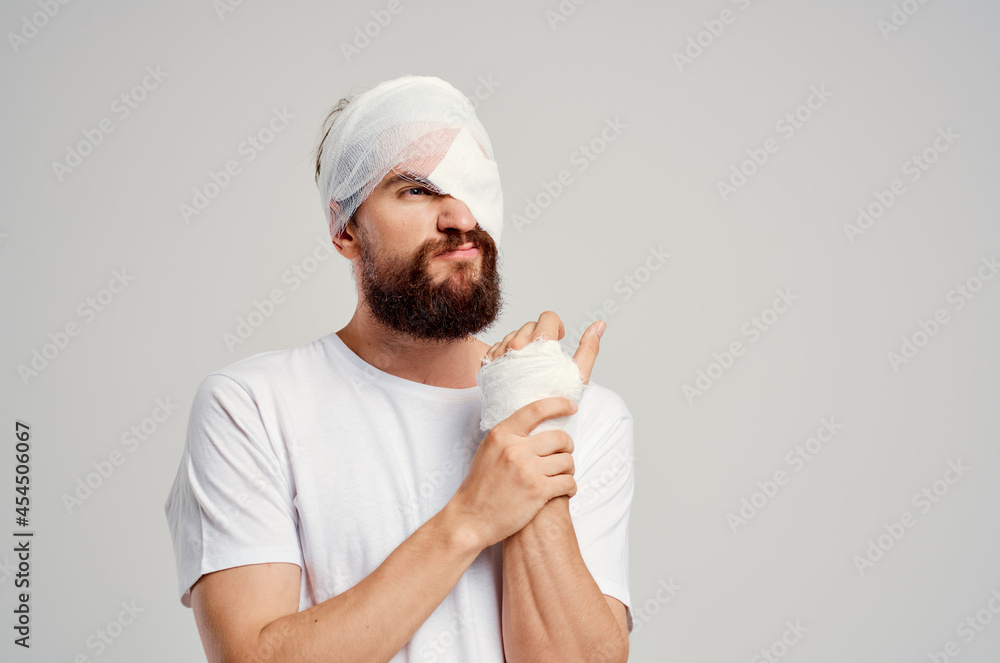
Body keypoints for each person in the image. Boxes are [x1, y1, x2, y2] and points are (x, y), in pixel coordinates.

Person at [163, 74, 634, 663]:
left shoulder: (575, 408)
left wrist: (528, 425)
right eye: (416, 189)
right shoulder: (251, 406)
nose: (461, 217)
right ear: (345, 229)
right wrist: (470, 519)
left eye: (472, 184)